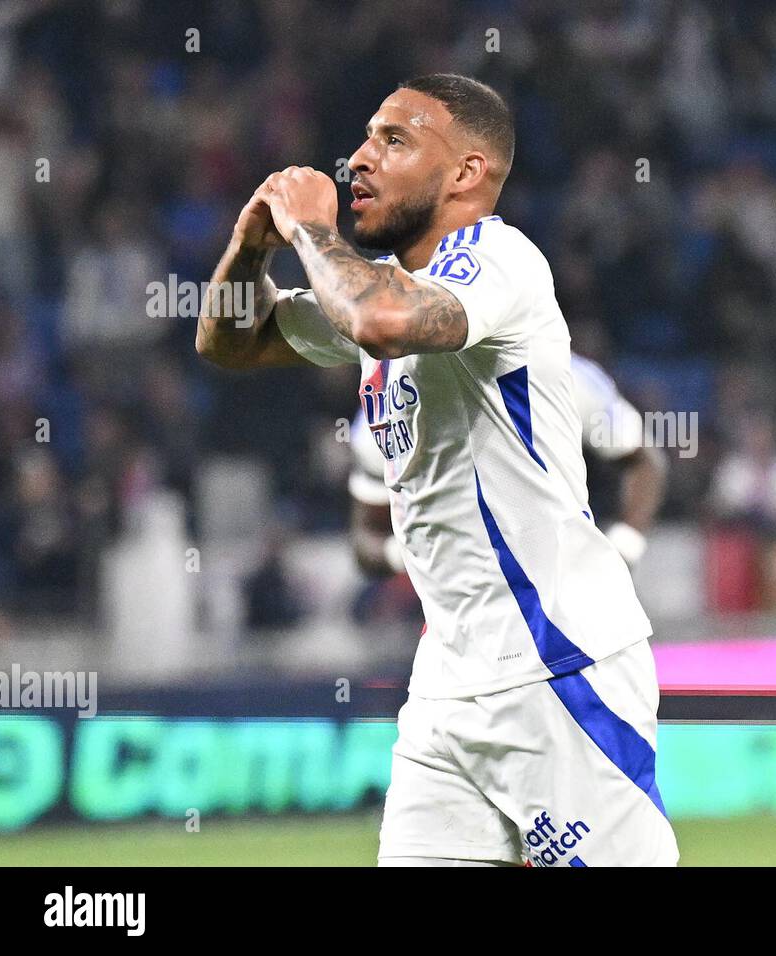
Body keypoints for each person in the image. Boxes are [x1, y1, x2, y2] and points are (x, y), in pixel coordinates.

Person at [196, 73, 677, 867]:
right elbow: (229, 343)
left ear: (466, 174)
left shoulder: (500, 259)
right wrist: (250, 244)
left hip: (557, 668)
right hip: (449, 685)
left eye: (394, 140)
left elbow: (380, 322)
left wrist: (314, 233)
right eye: (364, 137)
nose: (357, 161)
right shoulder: (383, 289)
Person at [350, 352, 667, 578]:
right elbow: (366, 540)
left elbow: (643, 460)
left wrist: (623, 548)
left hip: (567, 579)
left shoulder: (561, 377)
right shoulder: (382, 415)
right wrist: (417, 554)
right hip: (461, 607)